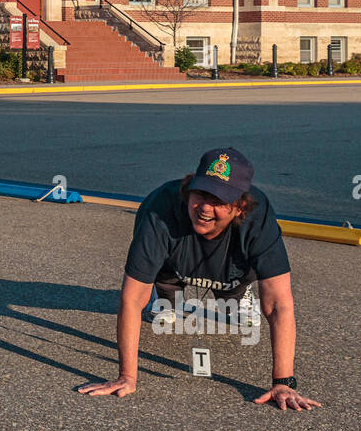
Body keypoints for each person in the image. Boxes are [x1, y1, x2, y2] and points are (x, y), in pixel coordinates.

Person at [78, 147, 321, 411]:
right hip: (175, 263)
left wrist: (283, 382)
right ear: (189, 187)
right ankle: (166, 295)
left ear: (239, 207)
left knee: (229, 290)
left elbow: (278, 304)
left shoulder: (258, 218)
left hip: (231, 268)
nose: (204, 207)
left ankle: (237, 293)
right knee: (163, 292)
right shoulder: (159, 208)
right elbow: (132, 297)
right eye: (201, 193)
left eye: (218, 200)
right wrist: (127, 376)